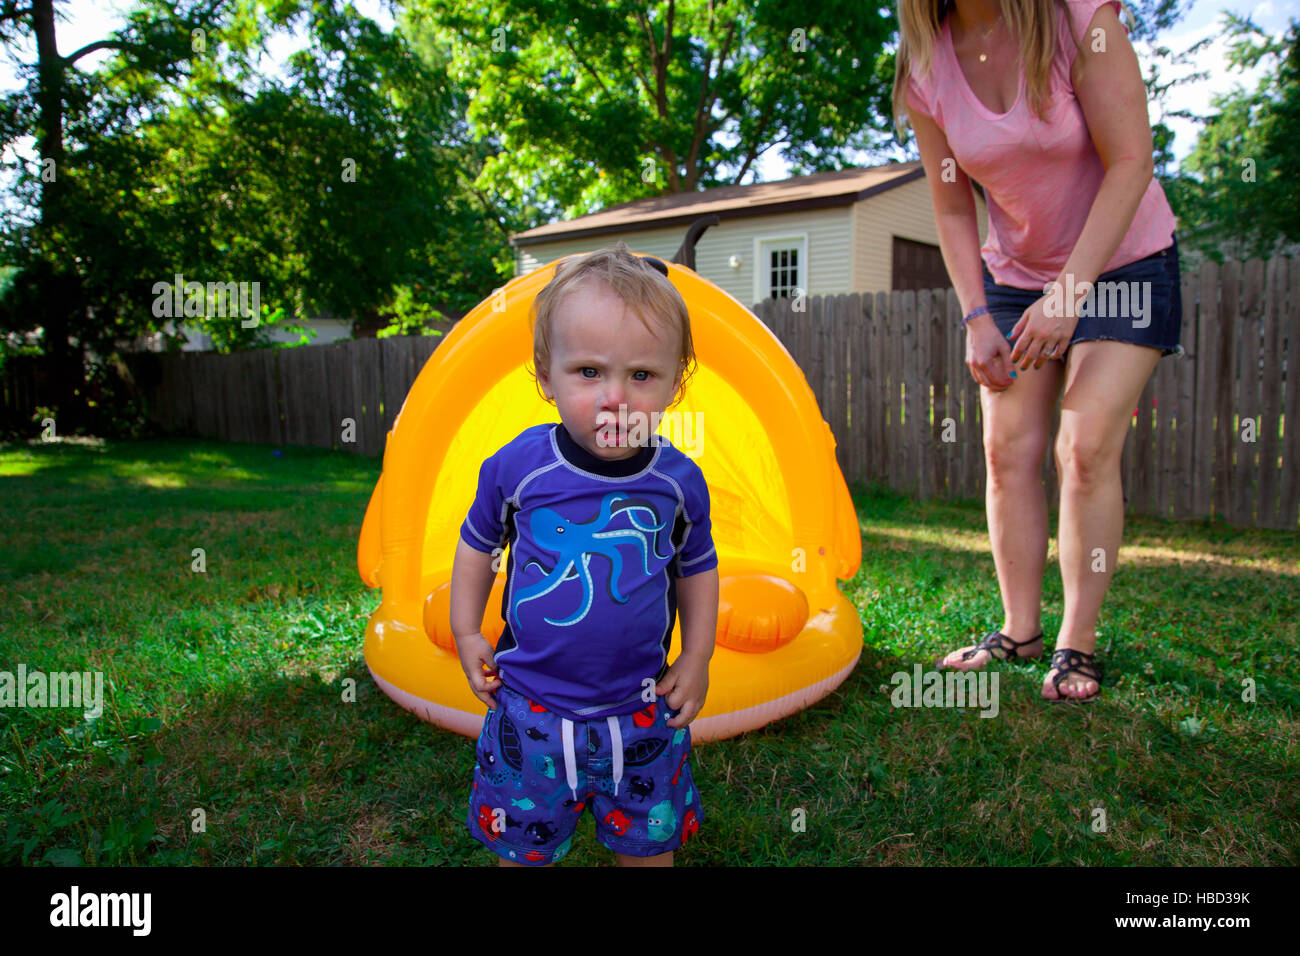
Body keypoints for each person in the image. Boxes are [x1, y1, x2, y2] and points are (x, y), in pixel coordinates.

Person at [894, 0, 1183, 701]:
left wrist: (1071, 292)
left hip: (1123, 264)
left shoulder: (1078, 18)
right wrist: (975, 315)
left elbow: (1132, 161)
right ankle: (1019, 629)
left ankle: (1076, 644)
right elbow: (954, 203)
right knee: (1007, 449)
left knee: (1082, 448)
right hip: (1015, 279)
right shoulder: (924, 64)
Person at [450, 243, 719, 865]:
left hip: (643, 710)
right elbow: (477, 545)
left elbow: (696, 569)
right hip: (530, 711)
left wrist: (698, 654)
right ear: (546, 375)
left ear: (676, 383)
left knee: (650, 846)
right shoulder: (518, 469)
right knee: (523, 849)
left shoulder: (677, 482)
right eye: (589, 372)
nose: (616, 397)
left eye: (642, 375)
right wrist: (466, 631)